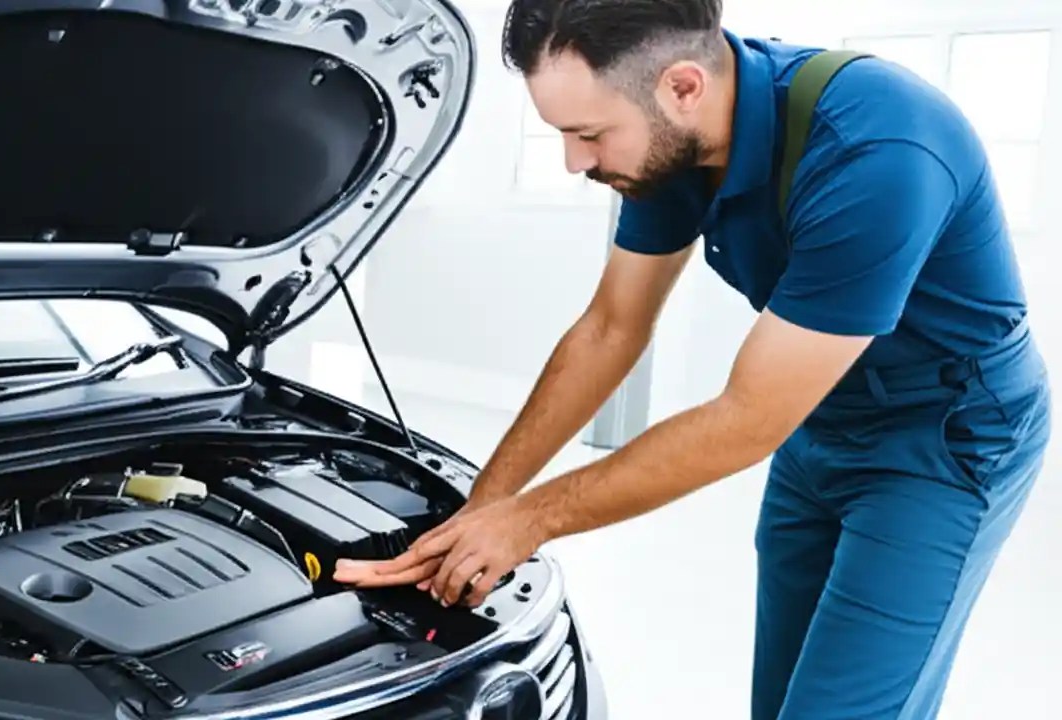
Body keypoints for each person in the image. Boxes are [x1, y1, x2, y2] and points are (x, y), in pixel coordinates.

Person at [334, 0, 1053, 717]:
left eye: (589, 134)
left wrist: (531, 520)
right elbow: (610, 328)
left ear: (682, 87)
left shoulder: (877, 154)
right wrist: (479, 514)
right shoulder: (675, 143)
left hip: (945, 439)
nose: (574, 162)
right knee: (779, 703)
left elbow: (746, 420)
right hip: (819, 422)